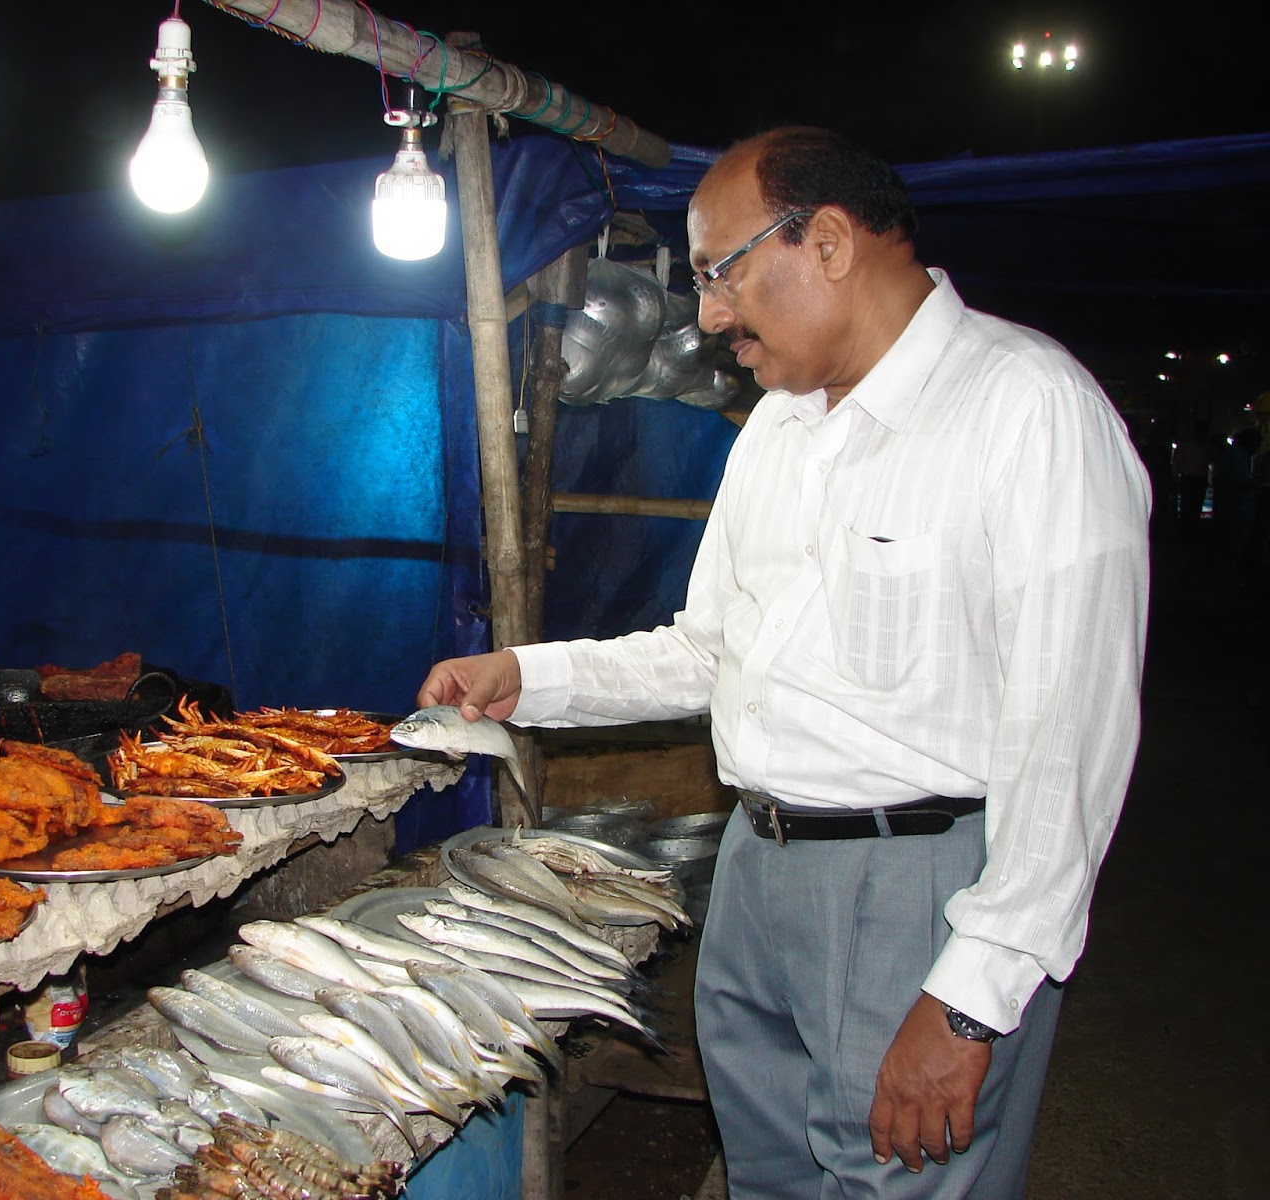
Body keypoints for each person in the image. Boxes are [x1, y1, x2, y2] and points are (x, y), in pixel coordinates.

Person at [416, 127, 1150, 1199]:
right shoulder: (777, 428)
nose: (709, 313)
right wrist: (529, 677)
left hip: (922, 884)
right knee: (770, 1173)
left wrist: (971, 998)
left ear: (831, 243)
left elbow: (1071, 739)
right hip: (756, 866)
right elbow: (713, 649)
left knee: (896, 1177)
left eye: (720, 271)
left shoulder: (1025, 409)